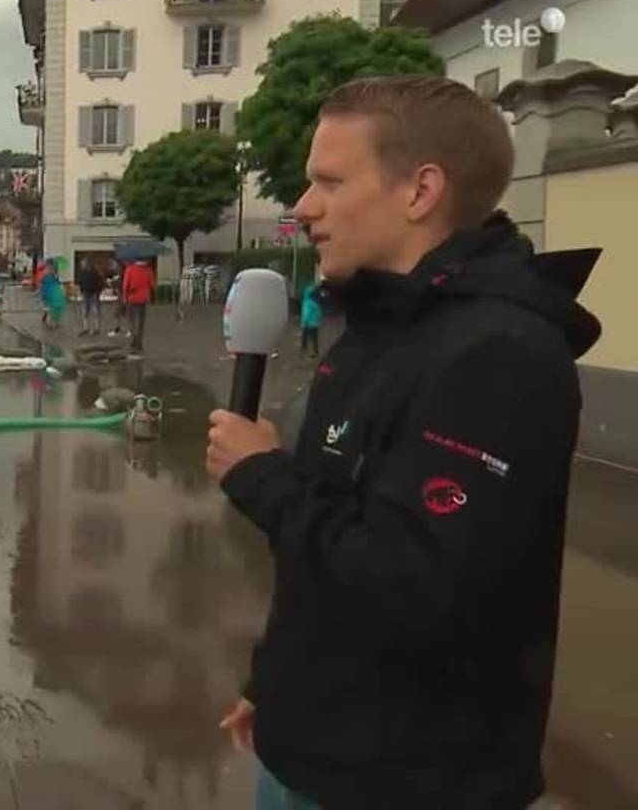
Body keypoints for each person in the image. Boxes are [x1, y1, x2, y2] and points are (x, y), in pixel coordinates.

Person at [206, 76, 600, 810]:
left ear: (419, 191)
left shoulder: (499, 354)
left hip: (405, 781)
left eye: (328, 180)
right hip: (309, 748)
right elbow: (332, 542)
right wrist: (279, 682)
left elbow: (417, 582)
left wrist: (262, 473)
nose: (303, 207)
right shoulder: (374, 335)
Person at [120, 257, 156, 351]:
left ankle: (134, 336)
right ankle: (139, 341)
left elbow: (125, 286)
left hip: (131, 297)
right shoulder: (148, 270)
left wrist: (124, 298)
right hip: (144, 298)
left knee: (131, 320)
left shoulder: (130, 269)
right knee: (141, 321)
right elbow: (153, 285)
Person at [75, 259, 105, 336]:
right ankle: (90, 328)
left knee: (90, 311)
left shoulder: (89, 273)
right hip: (89, 293)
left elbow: (80, 282)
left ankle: (92, 328)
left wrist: (98, 291)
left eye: (83, 264)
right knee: (89, 311)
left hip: (91, 293)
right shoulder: (92, 272)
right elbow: (80, 282)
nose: (83, 265)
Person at [39, 260, 65, 330]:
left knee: (51, 309)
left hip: (51, 293)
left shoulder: (51, 275)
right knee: (51, 309)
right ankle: (51, 324)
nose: (51, 268)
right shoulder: (48, 275)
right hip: (49, 293)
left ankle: (52, 323)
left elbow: (57, 283)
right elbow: (56, 283)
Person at [299, 285, 323, 359]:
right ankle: (315, 351)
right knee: (314, 338)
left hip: (308, 323)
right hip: (315, 324)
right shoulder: (317, 301)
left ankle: (304, 349)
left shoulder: (307, 302)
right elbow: (319, 312)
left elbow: (307, 312)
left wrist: (305, 321)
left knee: (305, 336)